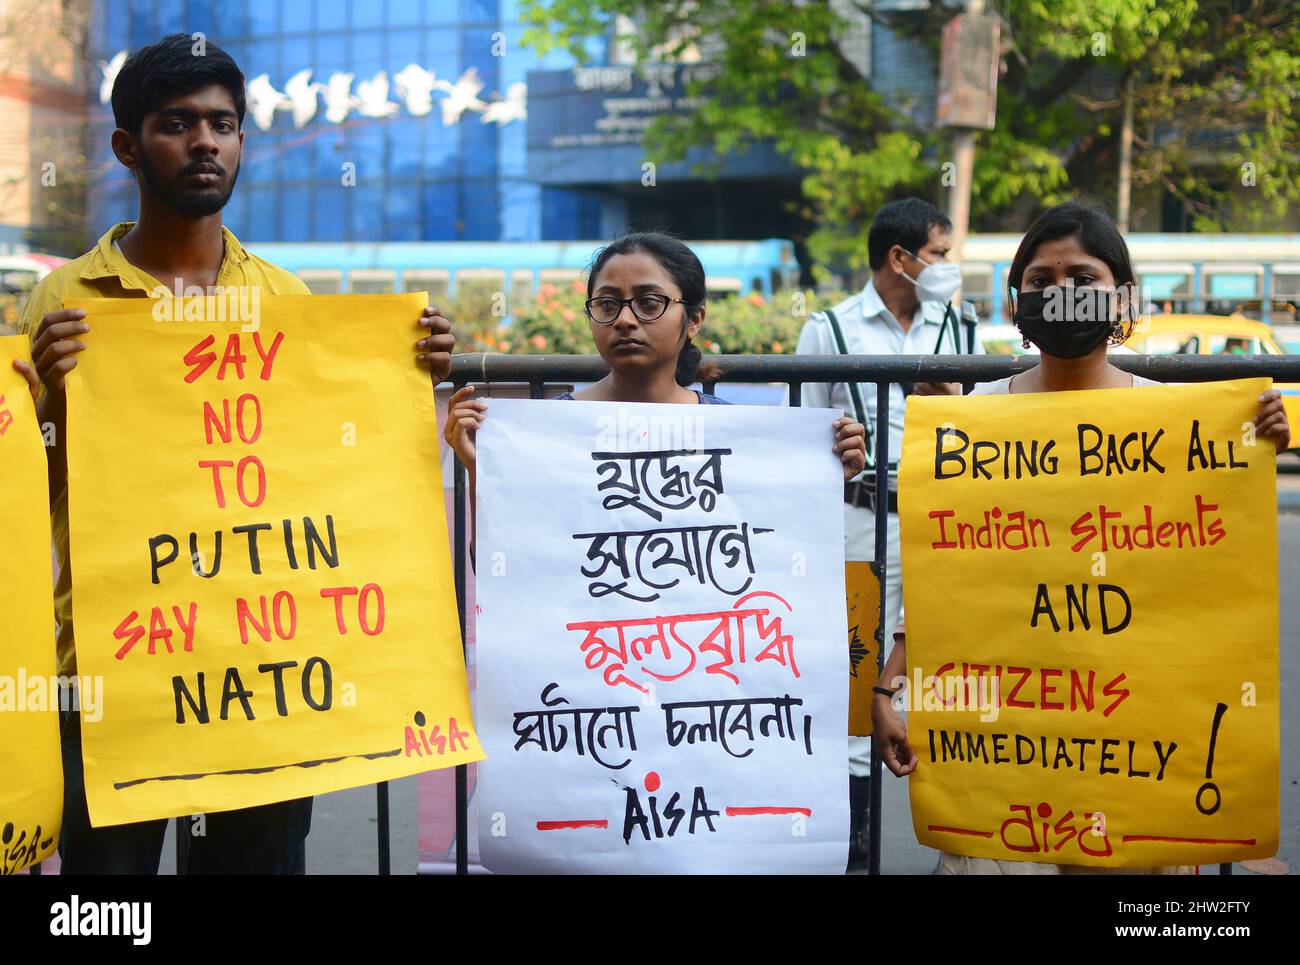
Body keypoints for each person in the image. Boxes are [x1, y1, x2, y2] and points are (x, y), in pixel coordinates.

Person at [17, 34, 454, 874]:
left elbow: (338, 477)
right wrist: (43, 400)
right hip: (112, 670)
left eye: (223, 123)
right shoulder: (63, 299)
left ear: (244, 141)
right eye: (178, 123)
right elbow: (29, 488)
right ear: (127, 147)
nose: (206, 142)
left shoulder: (289, 302)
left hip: (264, 672)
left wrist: (407, 378)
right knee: (107, 901)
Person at [872, 201, 1289, 874]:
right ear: (1016, 302)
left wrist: (1252, 440)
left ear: (1122, 297)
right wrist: (891, 689)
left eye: (1083, 278)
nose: (1061, 295)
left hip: (1138, 748)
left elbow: (1212, 581)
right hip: (1005, 743)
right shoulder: (974, 425)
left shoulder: (1175, 424)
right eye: (1041, 281)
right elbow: (939, 574)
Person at [444, 231, 868, 542]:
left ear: (695, 319)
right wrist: (486, 473)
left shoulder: (734, 433)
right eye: (607, 304)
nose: (625, 320)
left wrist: (828, 480)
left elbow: (780, 552)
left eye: (649, 303)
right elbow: (505, 566)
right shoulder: (545, 434)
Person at [792, 198, 985, 867]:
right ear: (901, 259)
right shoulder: (828, 330)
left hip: (947, 525)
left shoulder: (962, 327)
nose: (947, 267)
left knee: (952, 681)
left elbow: (989, 428)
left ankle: (964, 851)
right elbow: (803, 434)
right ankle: (856, 855)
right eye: (939, 254)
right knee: (859, 686)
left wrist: (955, 407)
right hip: (858, 521)